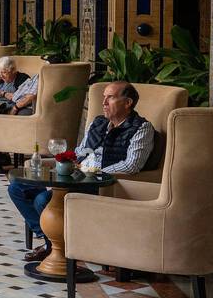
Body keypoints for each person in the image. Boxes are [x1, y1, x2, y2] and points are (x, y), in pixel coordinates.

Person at [9, 80, 155, 261]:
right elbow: (80, 151)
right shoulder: (98, 122)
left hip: (102, 183)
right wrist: (64, 162)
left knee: (43, 200)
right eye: (103, 98)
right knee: (18, 186)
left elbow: (132, 165)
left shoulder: (141, 128)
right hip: (77, 175)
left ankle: (54, 247)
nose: (104, 103)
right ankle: (54, 242)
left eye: (110, 98)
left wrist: (94, 172)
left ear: (127, 103)